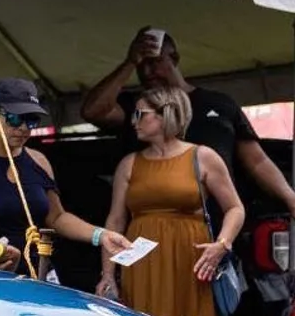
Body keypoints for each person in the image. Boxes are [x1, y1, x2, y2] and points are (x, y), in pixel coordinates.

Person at [98, 86, 245, 316]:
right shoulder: (130, 163)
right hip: (143, 265)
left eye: (141, 114)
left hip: (192, 262)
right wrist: (107, 275)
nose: (134, 121)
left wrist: (222, 245)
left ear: (167, 115)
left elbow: (234, 209)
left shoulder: (202, 157)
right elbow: (116, 221)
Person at [81, 26, 295, 218]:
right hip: (154, 227)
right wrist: (129, 62)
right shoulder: (137, 106)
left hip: (216, 227)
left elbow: (256, 160)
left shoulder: (220, 103)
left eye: (154, 63)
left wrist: (289, 196)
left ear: (174, 58)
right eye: (141, 65)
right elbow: (93, 111)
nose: (147, 72)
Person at [0, 78, 133, 276]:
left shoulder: (38, 160)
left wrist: (101, 235)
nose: (24, 128)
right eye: (15, 118)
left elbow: (57, 217)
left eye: (31, 119)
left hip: (38, 273)